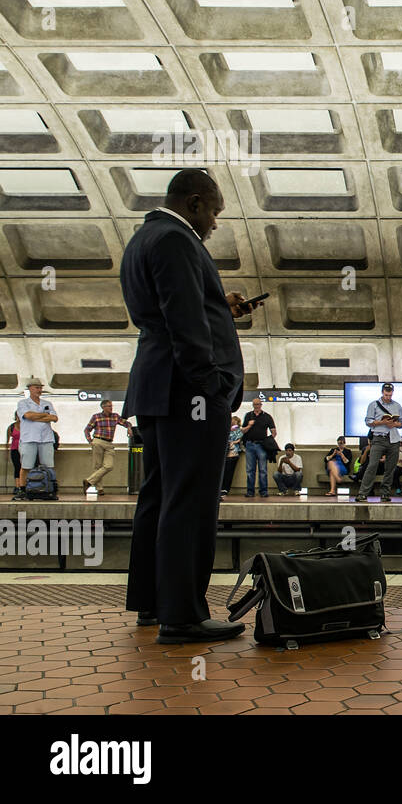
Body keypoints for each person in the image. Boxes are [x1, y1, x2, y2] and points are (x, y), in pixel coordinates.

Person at [121, 167, 255, 644]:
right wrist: (212, 383)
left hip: (157, 386)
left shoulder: (146, 237)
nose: (215, 223)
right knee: (192, 500)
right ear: (195, 202)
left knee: (158, 497)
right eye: (214, 212)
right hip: (189, 392)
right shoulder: (177, 240)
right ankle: (183, 616)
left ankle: (153, 603)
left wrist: (222, 303)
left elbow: (181, 307)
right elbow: (184, 322)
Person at [355, 382, 402, 502]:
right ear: (382, 392)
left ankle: (385, 493)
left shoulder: (397, 405)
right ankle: (363, 493)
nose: (388, 397)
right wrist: (382, 422)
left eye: (390, 395)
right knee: (372, 466)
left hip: (393, 439)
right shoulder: (374, 405)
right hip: (378, 438)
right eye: (386, 394)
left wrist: (395, 423)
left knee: (390, 468)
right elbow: (368, 421)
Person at [15, 377, 57, 494]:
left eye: (40, 388)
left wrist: (36, 416)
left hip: (46, 438)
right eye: (36, 388)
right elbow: (28, 416)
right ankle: (22, 489)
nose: (39, 390)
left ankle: (49, 487)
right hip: (29, 438)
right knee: (26, 465)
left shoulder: (47, 403)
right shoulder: (23, 403)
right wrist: (44, 416)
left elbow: (54, 418)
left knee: (48, 465)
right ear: (30, 389)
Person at [82, 398, 131, 493]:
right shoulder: (96, 417)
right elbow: (87, 429)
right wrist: (90, 441)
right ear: (103, 407)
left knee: (109, 466)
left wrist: (129, 428)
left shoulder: (115, 416)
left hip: (109, 443)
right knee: (97, 466)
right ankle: (100, 489)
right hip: (98, 441)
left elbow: (126, 422)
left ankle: (88, 481)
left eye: (111, 406)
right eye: (109, 406)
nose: (111, 408)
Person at [240, 396, 276, 498]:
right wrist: (249, 425)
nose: (257, 406)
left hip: (261, 445)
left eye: (258, 404)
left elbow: (274, 431)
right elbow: (242, 431)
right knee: (250, 470)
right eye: (255, 404)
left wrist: (268, 441)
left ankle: (263, 491)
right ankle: (250, 491)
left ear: (261, 405)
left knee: (263, 470)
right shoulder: (248, 416)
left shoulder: (267, 417)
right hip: (250, 445)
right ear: (253, 405)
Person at [221, 415, 242, 499]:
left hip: (233, 454)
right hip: (226, 454)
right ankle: (221, 488)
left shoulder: (238, 430)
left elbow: (238, 439)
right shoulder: (226, 429)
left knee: (229, 473)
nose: (232, 423)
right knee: (224, 472)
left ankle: (225, 489)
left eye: (234, 422)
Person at [7, 418, 20, 493]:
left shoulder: (27, 426)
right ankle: (17, 486)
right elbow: (7, 440)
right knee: (17, 467)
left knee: (25, 467)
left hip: (24, 449)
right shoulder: (11, 427)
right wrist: (7, 451)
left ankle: (24, 485)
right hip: (14, 449)